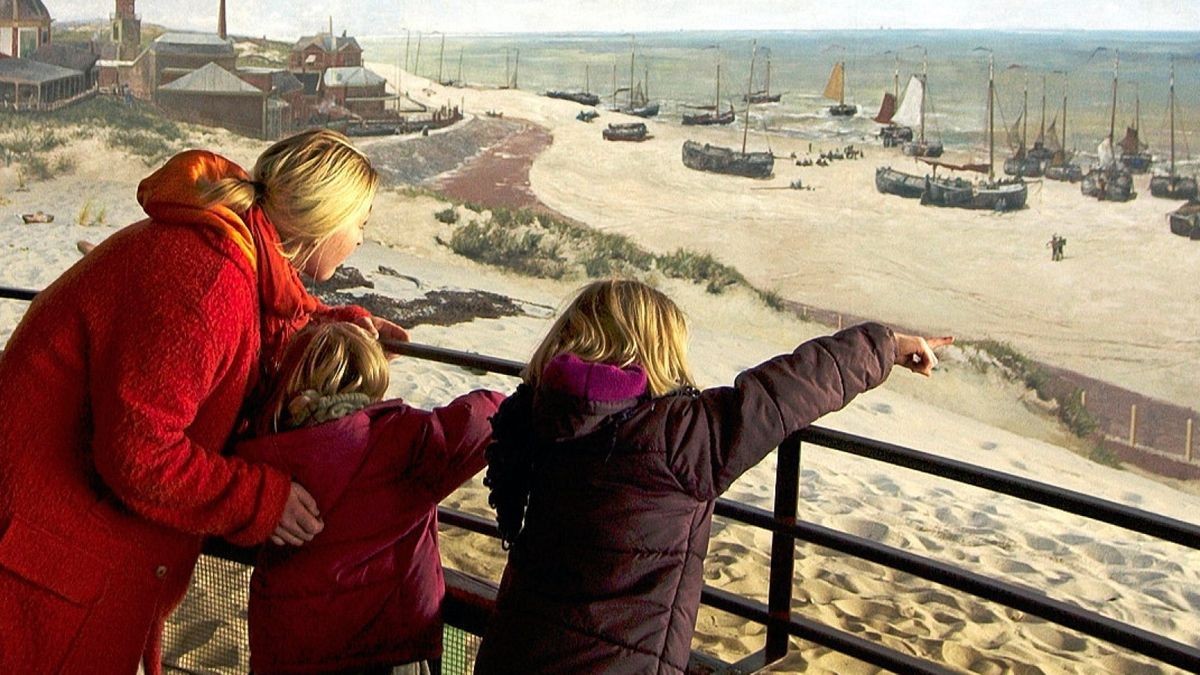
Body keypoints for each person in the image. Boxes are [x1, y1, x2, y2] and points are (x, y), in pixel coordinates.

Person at [0, 129, 407, 675]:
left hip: (60, 553)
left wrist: (342, 327)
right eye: (360, 222)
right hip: (38, 569)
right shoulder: (207, 276)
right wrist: (262, 503)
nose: (360, 238)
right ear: (323, 219)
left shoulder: (230, 249)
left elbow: (264, 312)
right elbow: (139, 456)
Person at [474, 279, 952, 674]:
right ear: (657, 351)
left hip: (513, 652)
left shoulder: (535, 414)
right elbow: (786, 391)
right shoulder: (678, 437)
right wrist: (885, 346)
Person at [235, 321, 502, 674]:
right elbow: (479, 420)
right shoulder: (403, 440)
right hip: (387, 648)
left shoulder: (260, 452)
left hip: (287, 652)